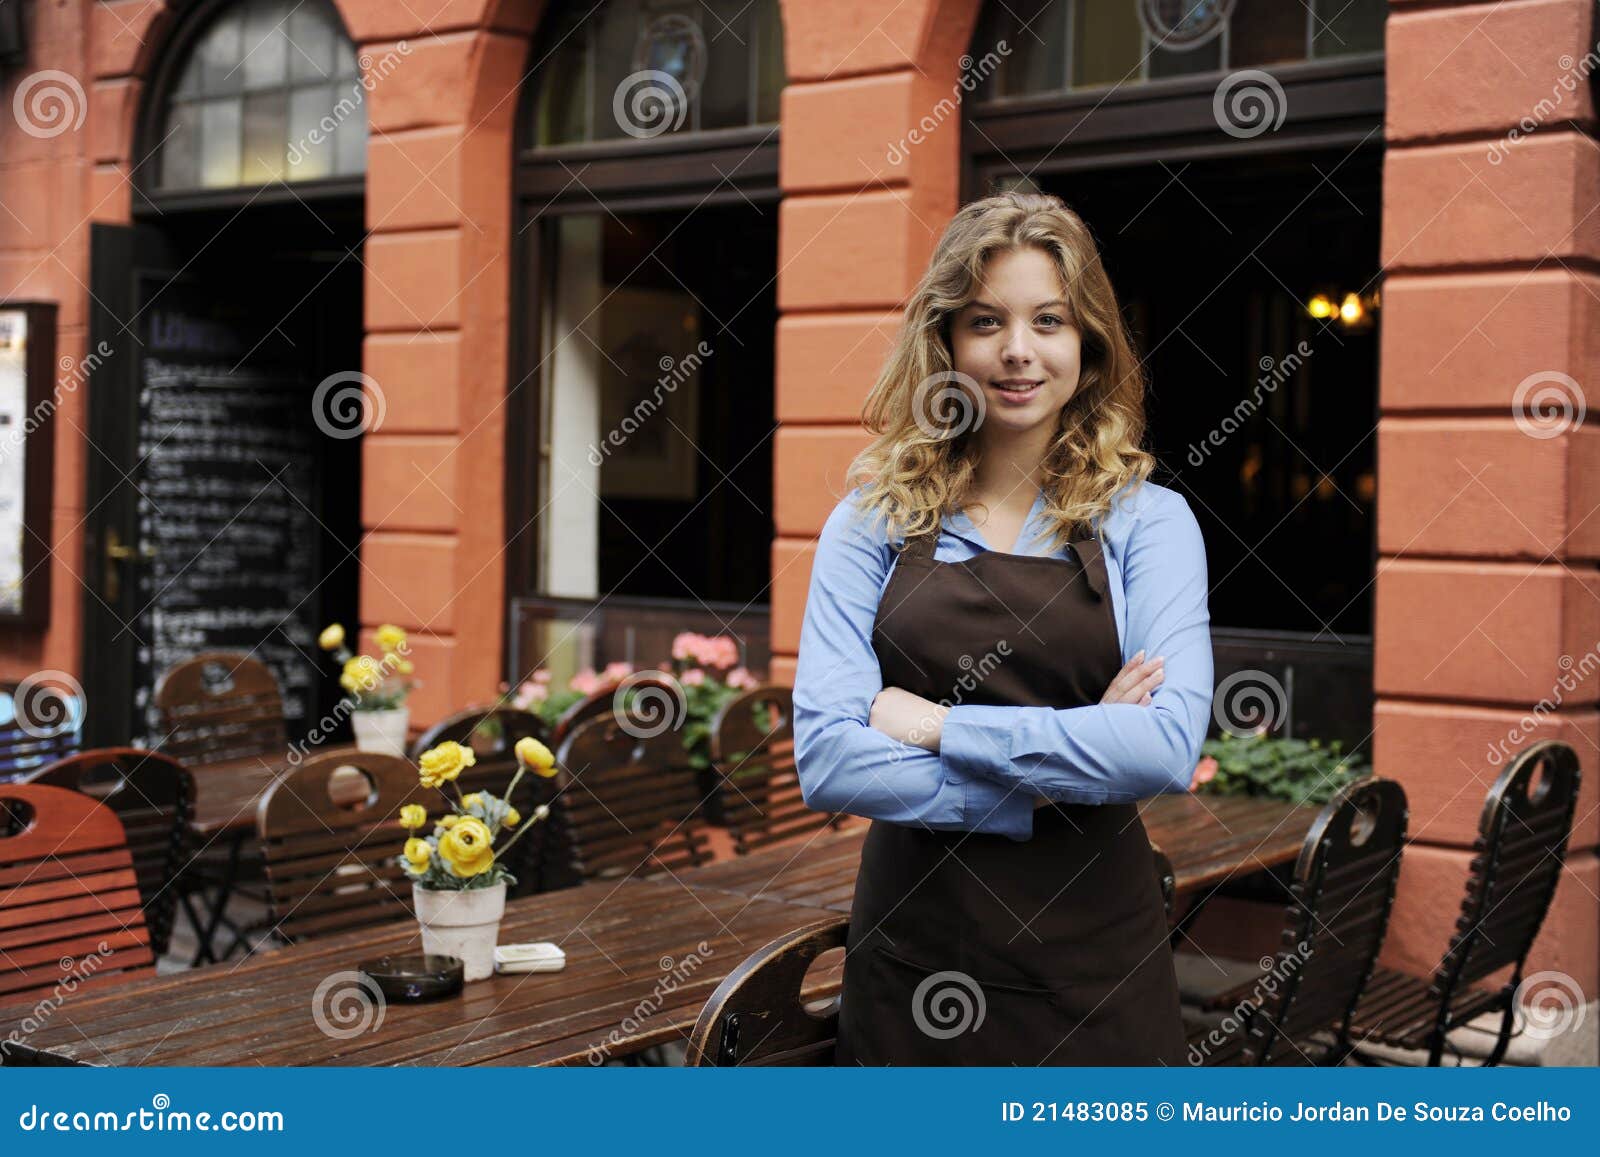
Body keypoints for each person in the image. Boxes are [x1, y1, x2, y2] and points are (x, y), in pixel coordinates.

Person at [791, 191, 1212, 1066]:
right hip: (916, 955)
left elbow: (1167, 748)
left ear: (1087, 344)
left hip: (1096, 969)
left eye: (1048, 320)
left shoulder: (1152, 522)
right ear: (944, 341)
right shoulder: (869, 519)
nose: (1018, 351)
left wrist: (939, 724)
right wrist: (1061, 777)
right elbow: (827, 758)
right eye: (987, 321)